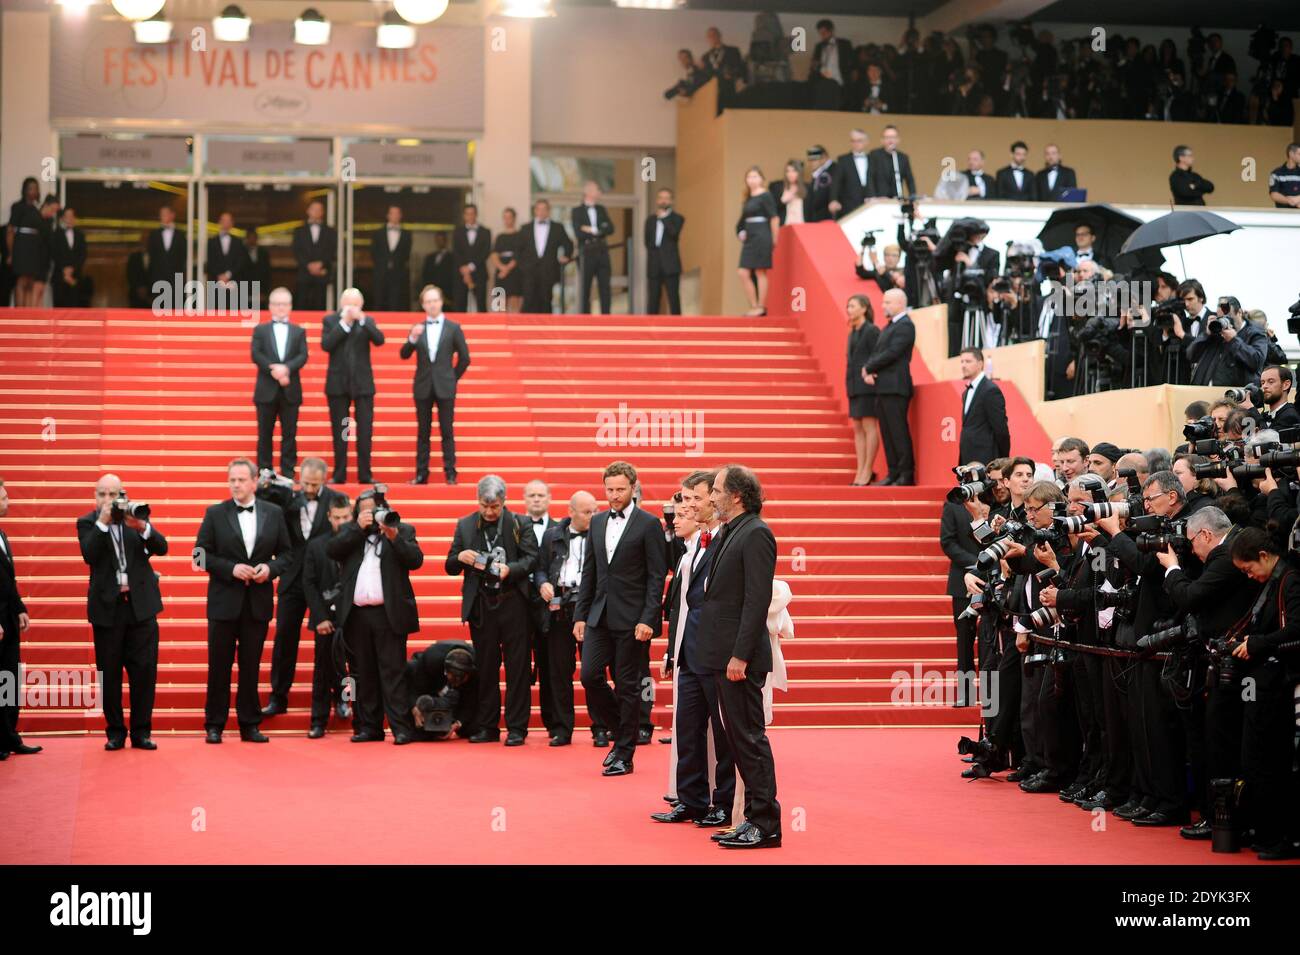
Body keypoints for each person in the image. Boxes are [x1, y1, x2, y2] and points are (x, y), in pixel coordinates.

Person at [695, 465, 779, 848]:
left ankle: (766, 824)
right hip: (720, 654)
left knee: (749, 738)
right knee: (738, 739)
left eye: (715, 490)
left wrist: (740, 656)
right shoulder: (732, 531)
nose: (711, 497)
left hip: (738, 660)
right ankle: (751, 819)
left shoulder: (757, 533)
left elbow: (756, 600)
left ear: (737, 496)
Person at [575, 461, 668, 776]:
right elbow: (590, 571)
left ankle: (624, 753)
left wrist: (648, 618)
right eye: (610, 489)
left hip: (633, 620)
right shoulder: (598, 521)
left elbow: (657, 577)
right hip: (599, 615)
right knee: (590, 675)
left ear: (633, 488)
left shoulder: (648, 524)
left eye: (620, 489)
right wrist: (580, 615)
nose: (614, 495)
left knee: (628, 685)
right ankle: (623, 732)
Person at [655, 469, 736, 828]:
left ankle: (724, 803)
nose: (686, 506)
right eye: (684, 499)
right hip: (689, 653)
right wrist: (673, 650)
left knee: (722, 735)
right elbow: (681, 605)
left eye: (695, 499)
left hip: (716, 655)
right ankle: (691, 800)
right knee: (687, 731)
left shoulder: (728, 541)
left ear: (715, 501)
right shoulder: (694, 543)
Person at [195, 458, 292, 744]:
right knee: (219, 665)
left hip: (257, 603)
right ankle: (214, 724)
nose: (235, 485)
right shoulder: (214, 513)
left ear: (253, 482)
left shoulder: (274, 513)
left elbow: (287, 554)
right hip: (224, 602)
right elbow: (199, 555)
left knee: (251, 666)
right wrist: (230, 569)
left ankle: (250, 724)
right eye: (232, 480)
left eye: (241, 480)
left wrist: (270, 570)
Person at [77, 474, 167, 751]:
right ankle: (115, 731)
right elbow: (89, 555)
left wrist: (143, 527)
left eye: (112, 494)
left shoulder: (133, 518)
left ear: (122, 495)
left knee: (144, 672)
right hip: (108, 610)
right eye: (102, 494)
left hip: (141, 609)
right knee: (110, 673)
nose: (107, 500)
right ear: (95, 496)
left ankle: (142, 732)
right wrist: (103, 523)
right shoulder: (88, 523)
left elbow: (162, 548)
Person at [446, 475, 538, 746]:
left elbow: (532, 558)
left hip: (513, 603)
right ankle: (486, 726)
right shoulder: (464, 525)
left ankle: (517, 728)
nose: (488, 512)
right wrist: (459, 558)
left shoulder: (520, 523)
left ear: (504, 502)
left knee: (517, 668)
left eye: (494, 507)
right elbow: (449, 565)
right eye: (484, 506)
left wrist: (512, 569)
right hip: (481, 606)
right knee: (485, 668)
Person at [328, 487, 424, 744]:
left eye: (374, 510)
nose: (371, 516)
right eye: (365, 511)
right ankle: (368, 726)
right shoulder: (352, 534)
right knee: (361, 673)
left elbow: (415, 560)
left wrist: (393, 536)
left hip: (388, 614)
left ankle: (401, 728)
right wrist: (356, 529)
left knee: (393, 672)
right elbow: (332, 550)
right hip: (356, 614)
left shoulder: (402, 530)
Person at [1229, 527, 1300, 860]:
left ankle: (1278, 835)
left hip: (1280, 686)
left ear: (1263, 556)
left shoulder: (1290, 581)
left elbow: (1297, 630)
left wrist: (1257, 643)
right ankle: (1263, 830)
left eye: (1249, 569)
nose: (1249, 576)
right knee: (1254, 757)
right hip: (1259, 683)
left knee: (1271, 760)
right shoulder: (1271, 582)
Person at [259, 457, 344, 719]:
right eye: (306, 483)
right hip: (293, 578)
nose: (309, 489)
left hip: (325, 580)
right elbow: (264, 502)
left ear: (324, 480)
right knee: (284, 639)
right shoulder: (288, 498)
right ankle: (278, 697)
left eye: (314, 484)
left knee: (334, 644)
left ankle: (341, 698)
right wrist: (266, 484)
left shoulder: (336, 498)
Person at [538, 490, 599, 746]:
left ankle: (601, 727)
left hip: (590, 609)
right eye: (587, 512)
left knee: (593, 672)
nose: (592, 516)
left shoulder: (601, 533)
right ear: (571, 511)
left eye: (595, 510)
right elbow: (540, 568)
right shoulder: (552, 535)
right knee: (559, 671)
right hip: (559, 608)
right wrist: (542, 584)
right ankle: (562, 728)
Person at [400, 284, 470, 486]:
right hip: (422, 386)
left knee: (447, 431)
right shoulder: (418, 328)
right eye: (428, 301)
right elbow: (403, 354)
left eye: (435, 300)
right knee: (423, 432)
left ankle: (450, 473)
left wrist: (452, 377)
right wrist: (412, 338)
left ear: (441, 302)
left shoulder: (453, 328)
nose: (432, 305)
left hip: (445, 386)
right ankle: (421, 474)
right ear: (423, 305)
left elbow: (465, 358)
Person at [301, 493, 353, 737]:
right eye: (337, 518)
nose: (342, 522)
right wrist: (319, 616)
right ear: (329, 517)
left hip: (352, 615)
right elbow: (309, 583)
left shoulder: (359, 541)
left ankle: (346, 701)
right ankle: (318, 720)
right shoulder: (316, 545)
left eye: (346, 517)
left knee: (350, 668)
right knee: (322, 668)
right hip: (324, 615)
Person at [321, 287, 383, 484]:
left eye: (355, 304)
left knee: (365, 431)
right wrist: (344, 324)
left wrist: (362, 320)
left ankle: (365, 474)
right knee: (341, 431)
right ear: (341, 304)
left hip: (363, 385)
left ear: (361, 305)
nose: (352, 308)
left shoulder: (367, 321)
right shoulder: (331, 321)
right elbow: (327, 344)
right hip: (338, 385)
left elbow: (379, 340)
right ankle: (340, 473)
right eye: (348, 304)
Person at [251, 287, 307, 478]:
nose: (281, 308)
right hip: (266, 389)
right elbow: (256, 354)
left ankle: (288, 473)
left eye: (284, 304)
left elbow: (303, 355)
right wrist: (273, 370)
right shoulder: (260, 330)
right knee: (265, 433)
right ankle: (264, 471)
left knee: (289, 435)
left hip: (290, 389)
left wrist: (287, 369)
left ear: (290, 307)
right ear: (270, 306)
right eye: (277, 304)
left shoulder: (299, 331)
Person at [0, 478, 37, 759]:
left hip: (9, 622)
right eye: (3, 498)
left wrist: (20, 607)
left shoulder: (2, 535)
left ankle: (10, 736)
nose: (7, 503)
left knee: (9, 680)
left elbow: (7, 580)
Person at [519, 480, 559, 739]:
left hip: (550, 604)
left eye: (540, 495)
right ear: (524, 498)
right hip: (520, 604)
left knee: (550, 664)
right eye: (531, 495)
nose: (536, 499)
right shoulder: (515, 526)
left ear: (549, 498)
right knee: (520, 665)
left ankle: (553, 722)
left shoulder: (560, 528)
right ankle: (519, 725)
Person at [864, 288, 916, 486]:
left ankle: (905, 474)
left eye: (888, 302)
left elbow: (893, 352)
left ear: (900, 303)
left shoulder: (905, 325)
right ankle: (893, 472)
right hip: (883, 387)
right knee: (887, 432)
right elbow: (879, 352)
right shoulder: (889, 327)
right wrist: (869, 369)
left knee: (897, 431)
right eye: (884, 302)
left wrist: (869, 367)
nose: (883, 306)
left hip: (896, 387)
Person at [407, 641, 478, 740]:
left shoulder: (477, 667)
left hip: (461, 691)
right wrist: (414, 707)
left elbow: (471, 701)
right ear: (446, 670)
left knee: (472, 728)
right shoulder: (431, 660)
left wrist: (457, 723)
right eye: (453, 679)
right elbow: (414, 688)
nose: (456, 683)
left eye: (460, 680)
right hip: (428, 678)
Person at [845, 294, 880, 486]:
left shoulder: (872, 330)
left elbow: (877, 356)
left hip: (867, 385)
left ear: (864, 308)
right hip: (853, 385)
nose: (849, 309)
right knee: (857, 428)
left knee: (869, 426)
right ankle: (860, 470)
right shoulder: (852, 333)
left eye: (852, 306)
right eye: (848, 306)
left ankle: (868, 470)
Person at [736, 166, 779, 317]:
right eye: (749, 177)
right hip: (750, 236)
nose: (752, 180)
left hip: (762, 235)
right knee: (743, 272)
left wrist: (775, 238)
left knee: (760, 271)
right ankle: (753, 305)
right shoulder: (748, 198)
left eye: (755, 176)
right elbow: (742, 220)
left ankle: (761, 306)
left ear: (761, 179)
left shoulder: (766, 195)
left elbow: (774, 217)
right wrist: (741, 232)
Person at [518, 199, 574, 314]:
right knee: (528, 300)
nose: (542, 212)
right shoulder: (525, 228)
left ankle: (545, 330)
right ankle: (525, 330)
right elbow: (518, 250)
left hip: (548, 271)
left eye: (544, 209)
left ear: (549, 211)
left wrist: (566, 256)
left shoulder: (557, 228)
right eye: (539, 209)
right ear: (535, 211)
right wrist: (523, 267)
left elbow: (568, 244)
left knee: (546, 300)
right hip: (529, 271)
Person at [956, 347, 1010, 466]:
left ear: (980, 364)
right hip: (967, 457)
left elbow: (1000, 428)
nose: (964, 365)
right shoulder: (966, 393)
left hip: (986, 458)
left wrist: (1003, 459)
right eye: (962, 361)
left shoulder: (990, 390)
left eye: (968, 361)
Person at [572, 181, 615, 315]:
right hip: (586, 252)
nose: (600, 192)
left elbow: (611, 228)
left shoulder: (601, 209)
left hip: (602, 252)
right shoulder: (577, 211)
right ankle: (585, 318)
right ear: (589, 192)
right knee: (585, 288)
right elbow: (579, 233)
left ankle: (606, 318)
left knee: (605, 287)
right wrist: (600, 229)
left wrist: (592, 229)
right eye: (598, 189)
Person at [644, 188, 684, 315]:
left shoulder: (677, 218)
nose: (663, 201)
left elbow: (674, 234)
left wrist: (664, 218)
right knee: (653, 299)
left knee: (673, 298)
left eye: (666, 198)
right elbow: (647, 242)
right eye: (661, 198)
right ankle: (650, 328)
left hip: (671, 265)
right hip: (654, 265)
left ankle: (677, 328)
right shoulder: (650, 220)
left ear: (671, 201)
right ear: (657, 200)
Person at [292, 199, 337, 310]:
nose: (316, 212)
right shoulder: (299, 230)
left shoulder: (330, 231)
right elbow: (296, 250)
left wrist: (321, 264)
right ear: (308, 211)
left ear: (323, 212)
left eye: (319, 210)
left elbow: (332, 250)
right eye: (314, 209)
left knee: (320, 303)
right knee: (301, 303)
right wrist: (308, 265)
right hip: (303, 273)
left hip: (322, 274)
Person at [7, 177, 45, 307]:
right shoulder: (17, 207)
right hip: (21, 248)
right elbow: (10, 231)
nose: (33, 191)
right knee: (22, 281)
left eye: (35, 188)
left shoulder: (36, 210)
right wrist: (11, 254)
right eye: (30, 188)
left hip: (34, 250)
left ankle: (27, 313)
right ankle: (19, 312)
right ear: (25, 190)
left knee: (30, 281)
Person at [451, 204, 492, 313]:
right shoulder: (457, 232)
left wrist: (471, 267)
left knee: (481, 304)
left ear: (476, 215)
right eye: (467, 214)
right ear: (464, 216)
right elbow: (456, 252)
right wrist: (464, 270)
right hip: (461, 273)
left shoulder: (485, 232)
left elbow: (485, 252)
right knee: (460, 304)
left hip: (479, 273)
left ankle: (482, 329)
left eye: (472, 213)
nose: (470, 216)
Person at [371, 205, 412, 312]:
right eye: (392, 213)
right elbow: (374, 252)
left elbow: (406, 254)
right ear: (388, 215)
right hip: (380, 273)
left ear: (401, 216)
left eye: (397, 213)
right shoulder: (378, 233)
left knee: (396, 301)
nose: (395, 216)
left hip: (398, 274)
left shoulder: (407, 234)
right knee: (379, 299)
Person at [50, 206, 90, 308]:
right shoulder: (55, 234)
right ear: (62, 218)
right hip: (59, 276)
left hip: (75, 276)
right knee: (59, 308)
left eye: (72, 216)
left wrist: (72, 269)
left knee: (75, 308)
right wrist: (64, 270)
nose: (70, 219)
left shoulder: (80, 235)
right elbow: (54, 253)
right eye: (67, 216)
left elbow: (83, 254)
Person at [146, 205, 187, 304]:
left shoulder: (181, 235)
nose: (162, 217)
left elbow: (183, 258)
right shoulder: (153, 235)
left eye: (165, 214)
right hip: (158, 279)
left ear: (172, 215)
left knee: (176, 309)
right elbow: (151, 258)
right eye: (161, 215)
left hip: (176, 279)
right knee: (159, 310)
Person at [808, 18, 852, 108]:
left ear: (831, 30)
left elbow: (851, 62)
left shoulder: (845, 44)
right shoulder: (819, 46)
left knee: (840, 107)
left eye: (824, 33)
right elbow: (815, 64)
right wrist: (814, 66)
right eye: (820, 34)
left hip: (841, 82)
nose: (822, 36)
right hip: (823, 83)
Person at [205, 212, 248, 304]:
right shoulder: (211, 242)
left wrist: (228, 275)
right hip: (215, 283)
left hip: (234, 283)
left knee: (233, 311)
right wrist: (219, 275)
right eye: (223, 220)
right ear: (219, 222)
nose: (225, 223)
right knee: (216, 312)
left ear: (232, 223)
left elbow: (241, 262)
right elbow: (210, 262)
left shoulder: (238, 242)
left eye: (228, 221)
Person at [829, 129, 873, 218]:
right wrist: (833, 199)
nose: (856, 143)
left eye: (859, 140)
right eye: (853, 141)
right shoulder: (843, 160)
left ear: (866, 142)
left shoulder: (873, 159)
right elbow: (836, 182)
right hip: (849, 205)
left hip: (870, 204)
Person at [489, 207, 523, 313]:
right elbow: (494, 254)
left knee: (515, 304)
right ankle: (500, 328)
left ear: (514, 218)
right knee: (499, 305)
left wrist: (507, 269)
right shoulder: (500, 237)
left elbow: (519, 254)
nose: (507, 220)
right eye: (505, 217)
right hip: (501, 274)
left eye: (510, 217)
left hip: (515, 273)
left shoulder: (520, 236)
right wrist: (501, 268)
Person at [868, 125, 917, 200]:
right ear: (882, 140)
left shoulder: (903, 157)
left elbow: (909, 179)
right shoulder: (874, 155)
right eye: (887, 137)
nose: (890, 140)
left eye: (893, 137)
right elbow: (870, 177)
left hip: (897, 198)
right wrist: (872, 197)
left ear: (898, 140)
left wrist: (913, 196)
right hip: (879, 200)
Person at [1258, 364, 1300, 429]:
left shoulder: (1290, 416)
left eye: (1271, 382)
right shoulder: (1264, 415)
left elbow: (1268, 438)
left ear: (1286, 385)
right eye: (1262, 383)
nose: (1264, 386)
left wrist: (1252, 410)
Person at [769, 161, 806, 226]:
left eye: (794, 171)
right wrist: (783, 201)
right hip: (786, 225)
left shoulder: (807, 188)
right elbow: (772, 209)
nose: (790, 174)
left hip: (802, 225)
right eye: (788, 171)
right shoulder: (778, 187)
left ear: (799, 173)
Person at [1266, 142, 1300, 209]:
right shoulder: (1277, 173)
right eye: (1299, 154)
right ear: (1291, 154)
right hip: (1282, 214)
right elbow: (1274, 194)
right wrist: (1289, 201)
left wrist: (1298, 199)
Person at [244, 227, 272, 299]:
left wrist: (264, 291)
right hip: (244, 289)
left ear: (257, 238)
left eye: (254, 237)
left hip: (260, 289)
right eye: (250, 237)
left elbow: (267, 273)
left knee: (259, 309)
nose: (252, 239)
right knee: (245, 310)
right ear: (246, 239)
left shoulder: (263, 253)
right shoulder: (241, 252)